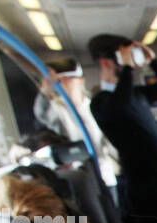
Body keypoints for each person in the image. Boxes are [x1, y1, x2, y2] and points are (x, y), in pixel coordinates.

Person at [87, 35, 157, 223]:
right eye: (123, 57)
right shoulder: (101, 103)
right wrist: (128, 68)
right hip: (143, 185)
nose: (129, 62)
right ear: (106, 63)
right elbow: (120, 106)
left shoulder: (136, 94)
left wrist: (153, 60)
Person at [33, 57, 120, 189]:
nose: (63, 84)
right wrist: (46, 90)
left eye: (67, 79)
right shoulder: (57, 109)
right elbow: (41, 113)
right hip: (80, 176)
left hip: (107, 173)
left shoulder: (95, 105)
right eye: (59, 81)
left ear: (80, 79)